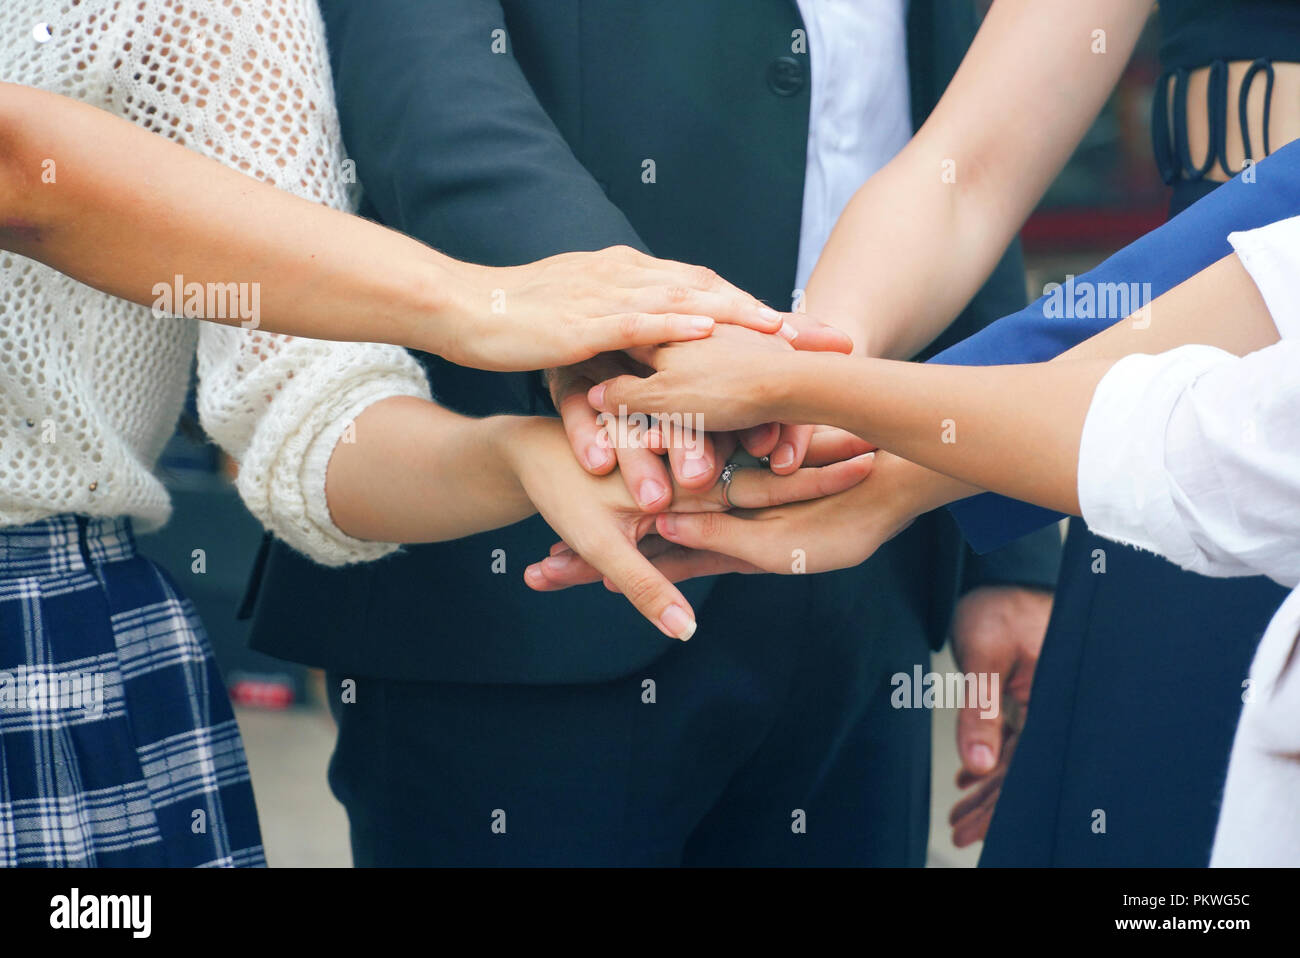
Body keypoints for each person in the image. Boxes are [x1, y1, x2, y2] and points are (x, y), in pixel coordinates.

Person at [0, 1, 847, 866]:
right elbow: (19, 162)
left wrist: (514, 458)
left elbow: (311, 406)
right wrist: (482, 301)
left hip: (47, 635)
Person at [240, 0, 1064, 866]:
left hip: (871, 548)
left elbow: (964, 140)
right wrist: (648, 335)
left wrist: (1003, 545)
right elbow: (426, 83)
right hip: (533, 565)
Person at [556, 0, 1300, 864]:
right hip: (1155, 391)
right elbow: (965, 167)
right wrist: (808, 379)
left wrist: (888, 430)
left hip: (1224, 410)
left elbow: (1273, 272)